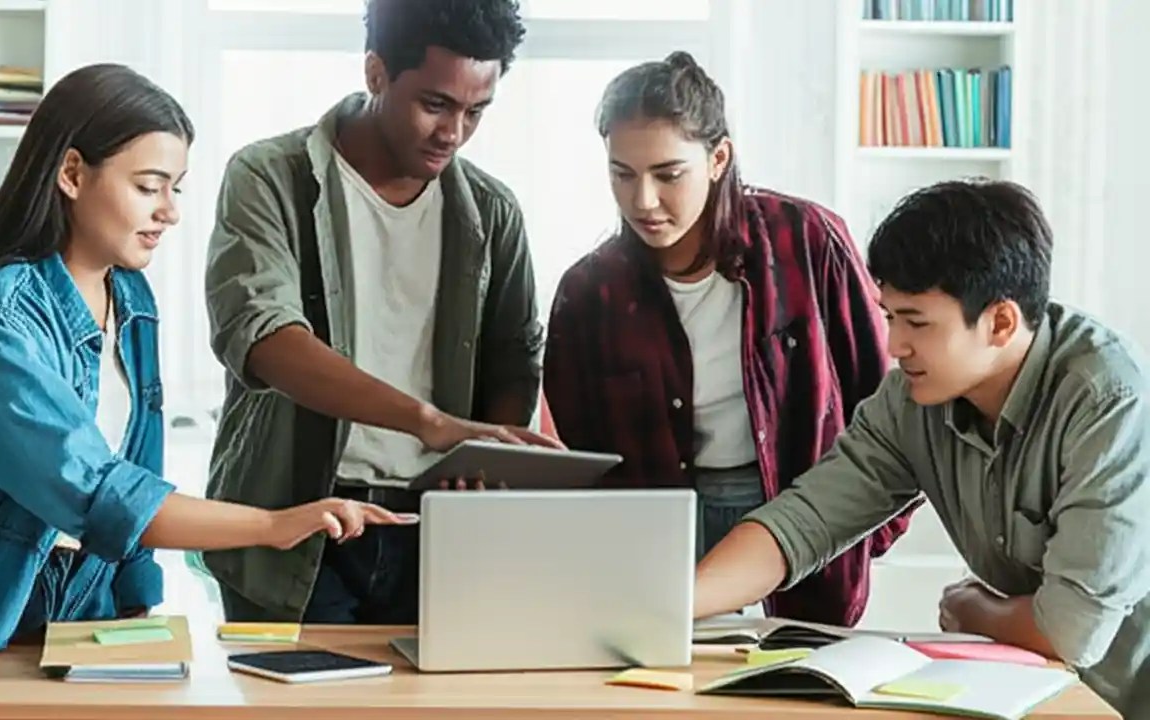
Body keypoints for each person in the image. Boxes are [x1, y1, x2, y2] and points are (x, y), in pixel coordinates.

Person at [0, 64, 412, 720]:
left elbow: (139, 468)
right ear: (72, 174)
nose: (169, 212)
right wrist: (274, 526)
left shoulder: (130, 297)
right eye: (149, 186)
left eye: (175, 189)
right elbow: (97, 491)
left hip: (72, 617)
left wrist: (137, 605)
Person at [694, 178, 1150, 717]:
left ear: (1001, 322)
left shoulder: (1107, 400)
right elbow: (802, 523)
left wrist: (973, 607)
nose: (894, 345)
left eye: (916, 322)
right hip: (1032, 691)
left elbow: (1073, 631)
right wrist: (673, 607)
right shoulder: (912, 400)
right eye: (890, 316)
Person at [202, 0, 559, 626]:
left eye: (476, 111)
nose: (454, 132)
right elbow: (264, 338)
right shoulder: (269, 177)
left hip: (435, 531)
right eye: (435, 104)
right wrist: (427, 422)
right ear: (376, 72)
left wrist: (484, 461)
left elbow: (514, 361)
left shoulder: (494, 211)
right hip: (298, 525)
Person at [543, 51, 911, 626]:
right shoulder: (590, 293)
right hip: (658, 532)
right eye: (623, 174)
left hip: (801, 518)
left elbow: (890, 404)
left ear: (718, 158)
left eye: (668, 174)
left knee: (793, 676)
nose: (643, 200)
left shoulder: (808, 241)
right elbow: (584, 455)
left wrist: (865, 536)